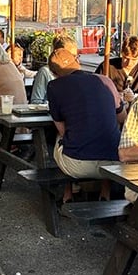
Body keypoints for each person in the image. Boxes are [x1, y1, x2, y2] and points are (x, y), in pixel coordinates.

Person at [47, 48, 124, 201]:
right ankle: (105, 190)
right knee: (109, 131)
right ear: (78, 60)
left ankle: (68, 192)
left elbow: (63, 132)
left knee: (59, 137)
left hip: (77, 164)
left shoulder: (54, 87)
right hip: (115, 162)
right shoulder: (105, 80)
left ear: (54, 72)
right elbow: (122, 118)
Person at [96, 35, 138, 104]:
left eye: (134, 60)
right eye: (125, 58)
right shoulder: (107, 66)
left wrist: (135, 97)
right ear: (121, 53)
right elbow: (96, 89)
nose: (129, 63)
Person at [30, 35, 79, 104]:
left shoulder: (75, 72)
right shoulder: (45, 72)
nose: (75, 59)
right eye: (72, 55)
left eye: (76, 56)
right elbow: (36, 101)